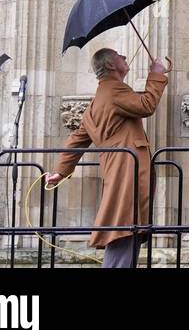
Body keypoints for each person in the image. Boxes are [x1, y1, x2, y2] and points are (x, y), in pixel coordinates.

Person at [45, 48, 169, 268]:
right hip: (127, 170)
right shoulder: (114, 90)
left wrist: (60, 171)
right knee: (125, 225)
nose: (124, 57)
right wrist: (156, 75)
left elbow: (77, 139)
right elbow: (146, 105)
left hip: (118, 169)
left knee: (125, 226)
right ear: (111, 65)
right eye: (120, 56)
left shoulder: (98, 99)